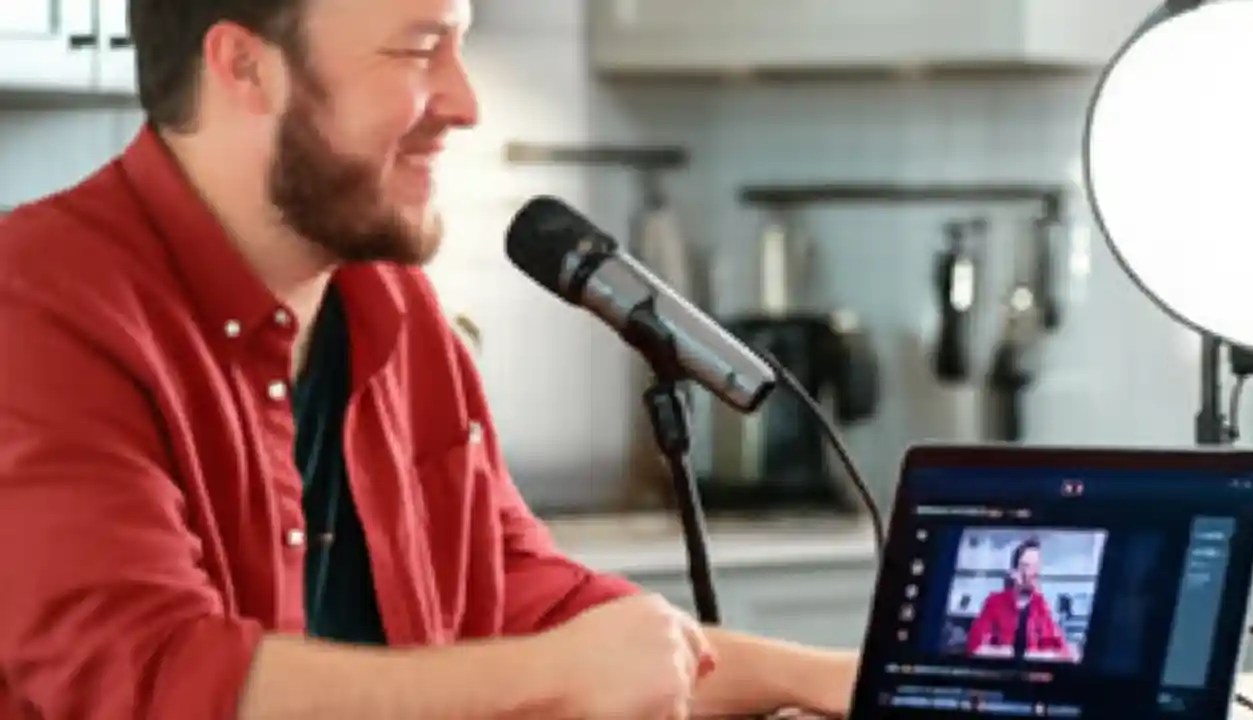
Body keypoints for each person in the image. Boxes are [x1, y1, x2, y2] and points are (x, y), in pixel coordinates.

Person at [0, 0, 861, 718]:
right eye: (419, 50)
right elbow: (154, 680)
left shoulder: (394, 312)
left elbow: (525, 602)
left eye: (461, 45)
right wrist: (557, 677)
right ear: (245, 66)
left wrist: (829, 681)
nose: (465, 101)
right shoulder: (38, 307)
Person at [966, 537, 1078, 662]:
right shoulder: (994, 603)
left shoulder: (1040, 605)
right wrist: (1014, 655)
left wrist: (1025, 656)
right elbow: (976, 648)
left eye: (1036, 566)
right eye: (1026, 566)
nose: (1033, 572)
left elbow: (1062, 652)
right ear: (1014, 572)